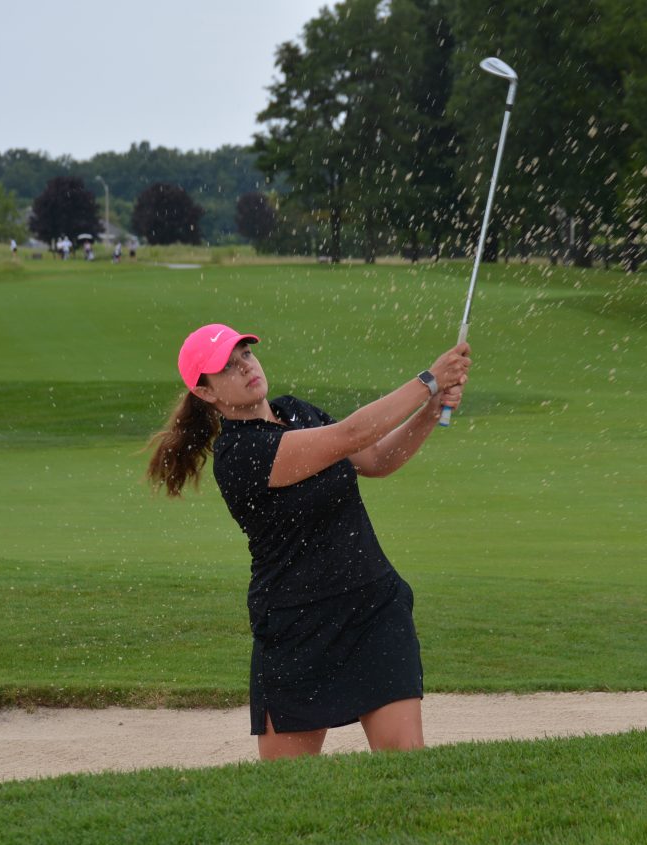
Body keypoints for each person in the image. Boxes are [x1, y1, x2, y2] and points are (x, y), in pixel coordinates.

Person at [145, 323, 470, 760]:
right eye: (227, 367)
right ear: (205, 392)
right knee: (287, 784)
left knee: (405, 762)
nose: (246, 367)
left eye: (246, 355)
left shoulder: (296, 411)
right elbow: (350, 435)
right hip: (296, 626)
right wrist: (429, 381)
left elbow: (376, 458)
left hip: (372, 607)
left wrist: (430, 411)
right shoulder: (239, 455)